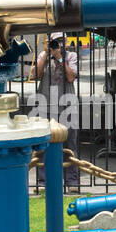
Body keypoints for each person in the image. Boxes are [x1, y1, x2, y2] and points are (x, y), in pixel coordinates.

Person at [31, 31, 80, 188]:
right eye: (56, 41)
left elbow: (71, 77)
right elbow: (35, 74)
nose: (59, 44)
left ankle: (72, 181)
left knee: (70, 144)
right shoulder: (44, 56)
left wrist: (60, 58)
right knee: (44, 143)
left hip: (67, 105)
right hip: (46, 104)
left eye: (61, 41)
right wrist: (46, 53)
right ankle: (44, 181)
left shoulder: (70, 56)